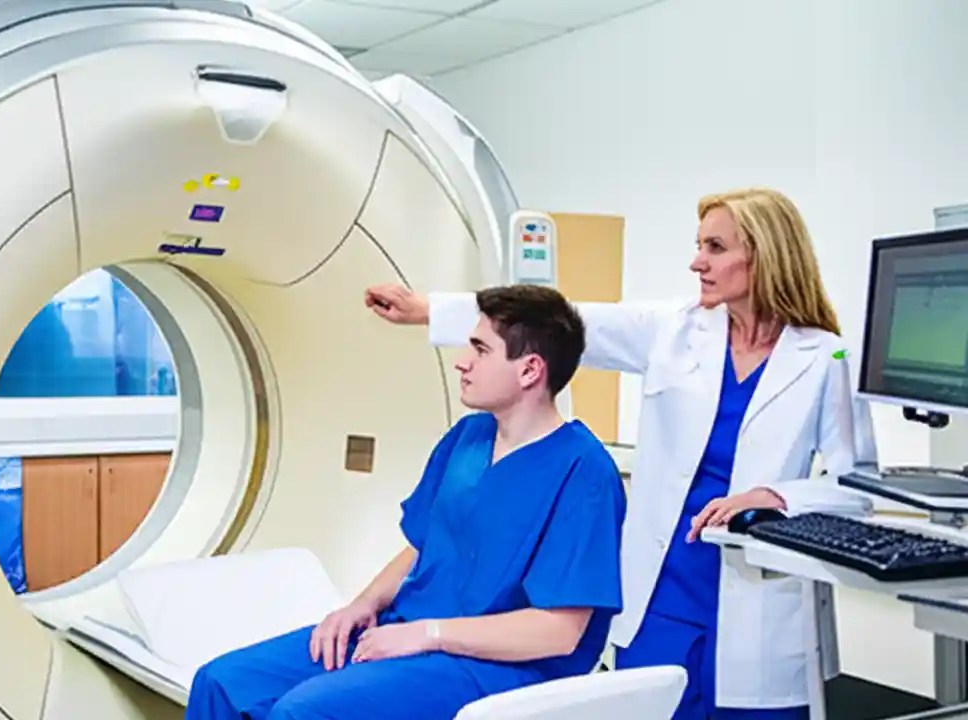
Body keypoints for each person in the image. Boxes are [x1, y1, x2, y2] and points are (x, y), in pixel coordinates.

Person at [364, 187, 876, 719]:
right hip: (662, 591)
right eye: (699, 244)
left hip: (757, 599)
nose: (696, 261)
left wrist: (778, 496)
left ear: (764, 254)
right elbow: (562, 321)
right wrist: (427, 309)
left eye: (715, 247)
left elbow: (858, 486)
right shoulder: (675, 331)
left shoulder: (826, 358)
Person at [185, 285, 627, 720]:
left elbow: (559, 632)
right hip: (409, 629)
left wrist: (429, 635)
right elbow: (423, 545)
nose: (461, 361)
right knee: (221, 682)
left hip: (498, 667)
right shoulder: (467, 438)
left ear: (530, 370)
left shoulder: (584, 473)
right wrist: (362, 605)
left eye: (479, 349)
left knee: (304, 711)